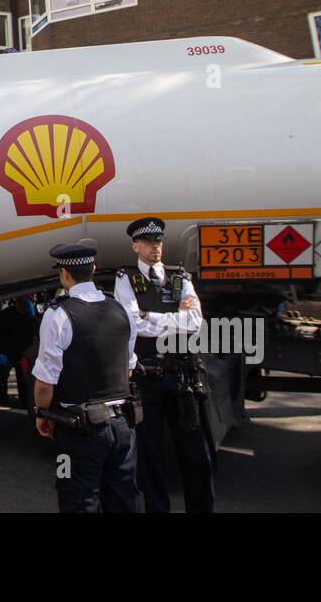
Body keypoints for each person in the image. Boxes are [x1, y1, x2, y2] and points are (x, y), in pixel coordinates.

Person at [115, 216, 215, 513]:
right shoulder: (126, 279)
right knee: (151, 457)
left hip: (183, 376)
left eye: (158, 241)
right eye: (147, 242)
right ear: (136, 246)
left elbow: (195, 323)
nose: (154, 247)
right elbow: (132, 324)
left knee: (196, 456)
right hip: (148, 379)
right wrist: (174, 318)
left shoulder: (180, 276)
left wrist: (150, 316)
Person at [32, 242, 138, 513]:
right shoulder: (121, 309)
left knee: (75, 497)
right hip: (122, 426)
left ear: (64, 274)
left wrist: (42, 414)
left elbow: (45, 381)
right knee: (122, 497)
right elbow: (127, 366)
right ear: (93, 269)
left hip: (78, 431)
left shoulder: (58, 315)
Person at [0, 297, 38, 408]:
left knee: (24, 384)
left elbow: (36, 337)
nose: (23, 305)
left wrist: (34, 319)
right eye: (21, 302)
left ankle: (25, 398)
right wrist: (0, 352)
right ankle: (2, 393)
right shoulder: (6, 315)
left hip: (25, 353)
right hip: (7, 352)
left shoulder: (33, 317)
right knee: (0, 369)